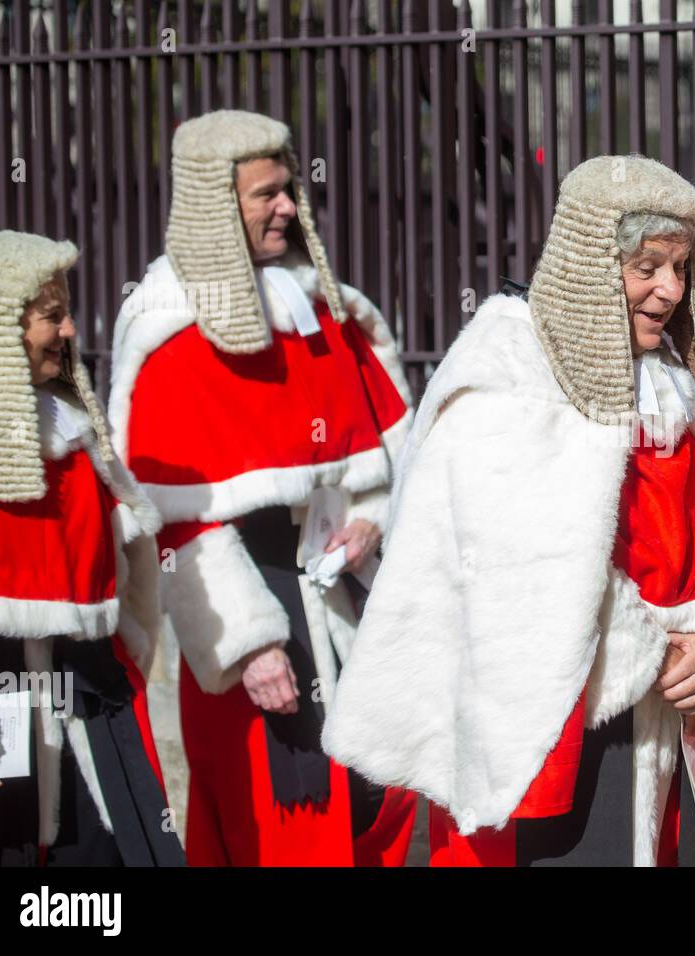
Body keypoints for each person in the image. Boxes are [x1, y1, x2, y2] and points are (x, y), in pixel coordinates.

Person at [323, 155, 695, 866]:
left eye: (682, 268)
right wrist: (656, 651)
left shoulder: (673, 397)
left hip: (675, 724)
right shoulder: (504, 387)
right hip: (556, 738)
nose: (670, 289)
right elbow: (506, 578)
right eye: (647, 265)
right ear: (592, 263)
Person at [109, 110, 416, 866]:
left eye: (288, 191)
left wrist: (372, 517)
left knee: (380, 803)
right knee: (281, 830)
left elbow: (381, 444)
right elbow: (173, 523)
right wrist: (252, 647)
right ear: (219, 204)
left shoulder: (320, 310)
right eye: (266, 195)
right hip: (254, 622)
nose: (287, 206)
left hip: (345, 598)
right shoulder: (166, 331)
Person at [0, 231, 183, 866]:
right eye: (50, 315)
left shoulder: (77, 431)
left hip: (92, 695)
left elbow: (125, 568)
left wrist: (132, 656)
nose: (68, 330)